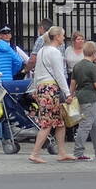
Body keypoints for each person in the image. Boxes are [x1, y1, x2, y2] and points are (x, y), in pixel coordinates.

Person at [27, 25, 74, 164]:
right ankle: (35, 153)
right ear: (57, 36)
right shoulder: (55, 52)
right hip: (50, 89)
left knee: (59, 122)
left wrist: (35, 88)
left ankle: (61, 152)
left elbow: (36, 71)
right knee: (47, 123)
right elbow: (59, 74)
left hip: (42, 87)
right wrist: (67, 93)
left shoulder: (41, 50)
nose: (64, 38)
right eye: (63, 35)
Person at [70, 40, 96, 160]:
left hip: (80, 96)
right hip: (90, 98)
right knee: (85, 125)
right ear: (94, 53)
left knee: (95, 124)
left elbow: (73, 83)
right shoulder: (93, 67)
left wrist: (70, 95)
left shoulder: (78, 65)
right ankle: (78, 152)